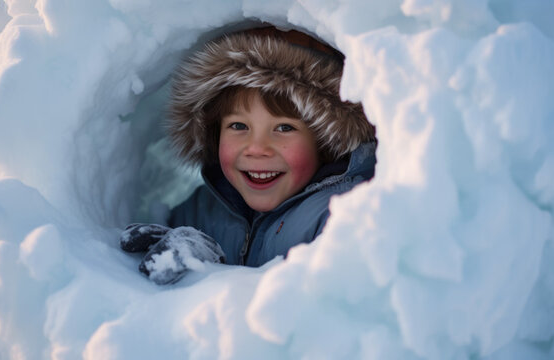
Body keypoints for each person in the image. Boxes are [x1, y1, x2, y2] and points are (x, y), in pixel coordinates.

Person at [120, 27, 377, 285]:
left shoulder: (340, 215)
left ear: (325, 141)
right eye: (239, 126)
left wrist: (215, 271)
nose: (256, 148)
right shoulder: (205, 208)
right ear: (214, 133)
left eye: (284, 128)